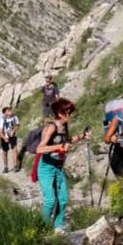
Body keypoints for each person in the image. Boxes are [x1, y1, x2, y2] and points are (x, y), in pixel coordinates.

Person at [35, 97, 86, 231]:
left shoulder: (64, 126)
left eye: (70, 112)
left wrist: (81, 136)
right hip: (46, 168)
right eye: (68, 112)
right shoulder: (51, 127)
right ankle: (43, 229)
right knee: (50, 200)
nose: (70, 115)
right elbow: (40, 149)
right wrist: (59, 147)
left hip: (59, 167)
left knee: (63, 199)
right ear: (60, 113)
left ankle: (58, 227)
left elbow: (67, 141)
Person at [0, 105, 20, 173]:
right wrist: (4, 138)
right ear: (5, 113)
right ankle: (6, 167)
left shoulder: (15, 117)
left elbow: (18, 125)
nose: (11, 111)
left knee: (14, 150)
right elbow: (0, 131)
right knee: (5, 152)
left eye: (10, 110)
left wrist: (13, 131)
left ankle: (15, 166)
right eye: (9, 110)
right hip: (4, 137)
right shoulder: (2, 119)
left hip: (12, 136)